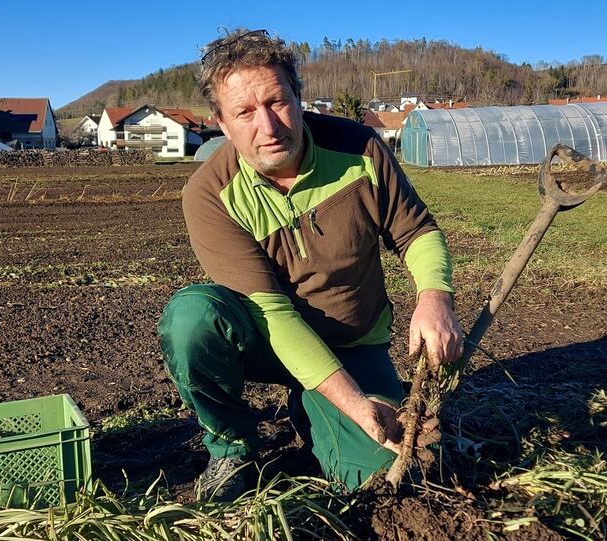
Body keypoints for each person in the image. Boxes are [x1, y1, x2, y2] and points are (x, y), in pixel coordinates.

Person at [158, 28, 465, 501]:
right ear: (221, 122)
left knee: (377, 474)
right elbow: (274, 316)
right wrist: (353, 403)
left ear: (299, 97)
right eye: (244, 113)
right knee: (192, 318)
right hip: (268, 342)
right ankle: (232, 446)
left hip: (353, 344)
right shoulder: (208, 195)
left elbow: (417, 232)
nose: (268, 125)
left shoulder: (360, 149)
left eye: (277, 102)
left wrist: (434, 297)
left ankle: (316, 409)